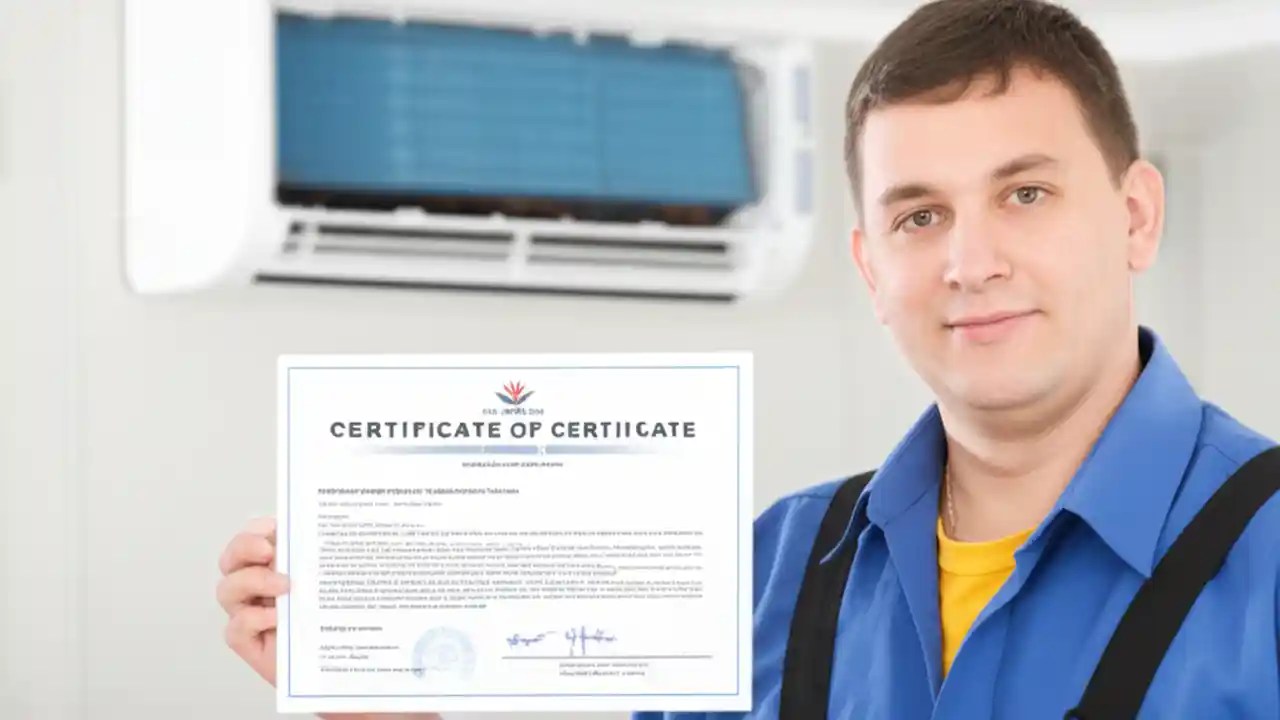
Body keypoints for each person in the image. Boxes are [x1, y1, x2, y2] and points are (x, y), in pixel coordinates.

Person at [217, 0, 1280, 717]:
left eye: (1024, 194)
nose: (968, 261)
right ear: (869, 267)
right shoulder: (756, 575)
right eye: (917, 216)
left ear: (1134, 217)